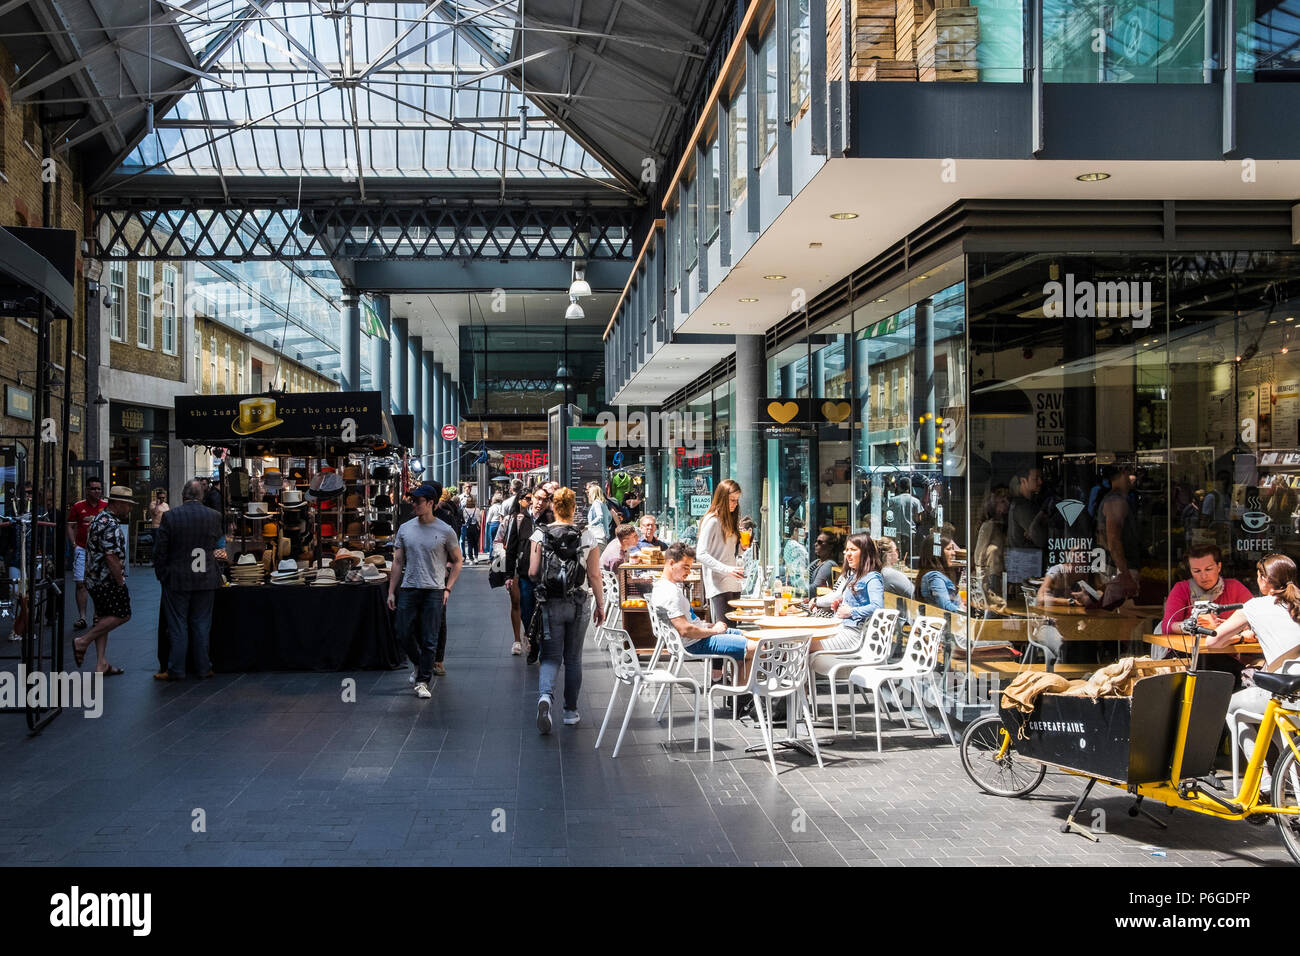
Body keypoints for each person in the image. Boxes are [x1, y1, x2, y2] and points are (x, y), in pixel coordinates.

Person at [1205, 553, 1300, 794]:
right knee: (1278, 720)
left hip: (1285, 696)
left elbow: (1212, 642)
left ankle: (1263, 775)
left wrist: (1238, 635)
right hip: (1296, 699)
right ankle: (1289, 780)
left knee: (1230, 706)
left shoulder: (1254, 606)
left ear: (1263, 580)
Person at [528, 487, 604, 732]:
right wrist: (601, 605)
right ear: (575, 508)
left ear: (553, 507)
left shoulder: (539, 535)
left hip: (550, 602)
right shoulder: (587, 536)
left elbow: (531, 572)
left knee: (550, 657)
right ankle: (570, 711)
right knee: (573, 658)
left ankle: (545, 697)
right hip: (579, 601)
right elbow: (594, 575)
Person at [650, 541, 755, 700]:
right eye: (685, 567)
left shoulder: (664, 586)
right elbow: (685, 630)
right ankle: (744, 699)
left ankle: (739, 697)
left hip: (697, 637)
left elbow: (688, 624)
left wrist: (707, 626)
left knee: (751, 637)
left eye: (690, 568)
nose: (688, 572)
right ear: (671, 563)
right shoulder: (669, 593)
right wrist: (714, 630)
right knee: (755, 647)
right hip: (695, 643)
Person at [388, 481, 463, 700]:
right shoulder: (405, 528)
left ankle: (423, 680)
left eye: (418, 501)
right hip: (409, 587)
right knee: (402, 631)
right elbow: (398, 561)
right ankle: (421, 664)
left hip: (434, 589)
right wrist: (392, 590)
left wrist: (448, 588)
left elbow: (458, 561)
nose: (414, 504)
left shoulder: (445, 530)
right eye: (413, 500)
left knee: (430, 637)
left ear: (430, 503)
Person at [154, 478, 223, 681]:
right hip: (206, 578)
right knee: (202, 624)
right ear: (201, 497)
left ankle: (177, 669)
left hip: (178, 579)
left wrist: (162, 575)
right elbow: (217, 544)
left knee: (178, 625)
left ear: (183, 496)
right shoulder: (214, 516)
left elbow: (160, 551)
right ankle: (204, 668)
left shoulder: (171, 517)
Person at [71, 486, 134, 675]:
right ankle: (83, 641)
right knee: (123, 614)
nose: (129, 509)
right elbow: (111, 556)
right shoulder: (110, 524)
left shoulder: (99, 518)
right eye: (128, 505)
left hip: (93, 577)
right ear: (119, 503)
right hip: (105, 580)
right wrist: (120, 582)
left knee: (102, 617)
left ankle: (101, 663)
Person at [693, 479, 747, 624]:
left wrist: (742, 547)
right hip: (719, 582)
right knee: (725, 628)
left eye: (736, 500)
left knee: (733, 627)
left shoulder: (730, 520)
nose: (735, 504)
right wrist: (726, 569)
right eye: (732, 500)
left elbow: (731, 552)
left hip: (734, 581)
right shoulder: (712, 520)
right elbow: (701, 554)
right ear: (722, 498)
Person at [66, 477, 107, 630]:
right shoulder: (78, 506)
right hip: (82, 548)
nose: (96, 491)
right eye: (93, 489)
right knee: (80, 583)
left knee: (98, 584)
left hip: (100, 550)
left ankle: (96, 616)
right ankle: (82, 617)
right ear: (86, 490)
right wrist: (74, 543)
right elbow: (69, 525)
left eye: (98, 488)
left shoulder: (106, 506)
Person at [1099, 465, 1142, 605]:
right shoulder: (1115, 502)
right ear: (1124, 473)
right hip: (1119, 571)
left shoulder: (1116, 500)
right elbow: (1113, 541)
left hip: (1117, 569)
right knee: (1119, 616)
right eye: (1130, 472)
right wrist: (1126, 576)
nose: (1133, 477)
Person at [973, 487, 1011, 600]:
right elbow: (979, 555)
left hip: (1004, 575)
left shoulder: (1004, 525)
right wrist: (981, 580)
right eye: (1002, 501)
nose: (1007, 504)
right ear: (994, 504)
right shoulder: (989, 525)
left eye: (1008, 500)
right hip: (992, 576)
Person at [918, 534, 965, 614]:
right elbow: (946, 606)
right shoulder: (935, 578)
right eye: (949, 549)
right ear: (937, 554)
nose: (953, 553)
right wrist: (966, 614)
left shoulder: (934, 574)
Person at [1006, 467, 1047, 552]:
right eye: (1036, 479)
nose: (1040, 482)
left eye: (1041, 478)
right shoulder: (1023, 506)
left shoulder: (1022, 503)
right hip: (1026, 561)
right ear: (1023, 481)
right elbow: (1041, 539)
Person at [887, 477, 924, 561]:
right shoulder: (915, 501)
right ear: (909, 487)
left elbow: (885, 516)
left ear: (899, 486)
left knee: (895, 554)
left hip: (894, 531)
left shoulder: (892, 500)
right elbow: (918, 519)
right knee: (909, 555)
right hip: (910, 531)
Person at [808, 529, 843, 596]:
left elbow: (816, 587)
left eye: (820, 542)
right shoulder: (816, 561)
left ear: (830, 547)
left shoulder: (829, 564)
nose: (816, 544)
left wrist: (796, 589)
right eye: (816, 541)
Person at [782, 518, 810, 594]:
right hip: (801, 589)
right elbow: (800, 573)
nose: (805, 532)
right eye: (803, 529)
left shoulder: (789, 544)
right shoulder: (797, 547)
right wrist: (807, 591)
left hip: (795, 587)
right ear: (796, 530)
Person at [462, 495, 481, 564]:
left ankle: (471, 559)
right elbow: (478, 520)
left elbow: (464, 519)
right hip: (475, 527)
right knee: (475, 543)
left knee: (470, 543)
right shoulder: (477, 510)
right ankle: (476, 558)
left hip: (468, 527)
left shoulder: (464, 510)